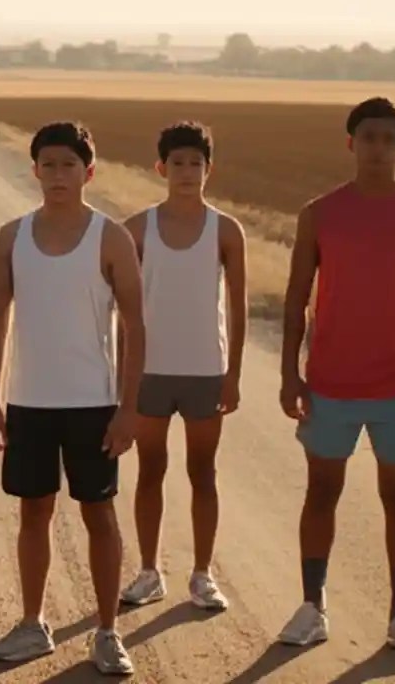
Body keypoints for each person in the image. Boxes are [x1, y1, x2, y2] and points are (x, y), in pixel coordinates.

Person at [277, 97, 395, 657]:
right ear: (351, 144)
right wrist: (289, 374)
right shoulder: (320, 213)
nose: (377, 147)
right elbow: (298, 296)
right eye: (366, 137)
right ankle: (311, 607)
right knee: (321, 491)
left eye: (386, 138)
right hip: (329, 383)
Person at [0, 121, 141, 675]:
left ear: (88, 172)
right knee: (34, 513)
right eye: (48, 165)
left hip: (93, 404)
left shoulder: (110, 237)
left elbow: (137, 328)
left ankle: (107, 631)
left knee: (99, 514)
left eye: (69, 165)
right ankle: (32, 625)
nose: (58, 175)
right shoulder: (12, 237)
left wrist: (128, 408)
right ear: (35, 171)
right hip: (29, 403)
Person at [118, 121, 247, 612]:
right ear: (161, 168)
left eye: (196, 163)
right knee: (150, 470)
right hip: (150, 372)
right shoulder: (137, 229)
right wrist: (120, 379)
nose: (187, 172)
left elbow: (236, 309)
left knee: (203, 471)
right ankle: (149, 572)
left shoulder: (226, 231)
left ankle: (202, 574)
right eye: (177, 163)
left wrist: (233, 375)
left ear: (209, 169)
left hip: (205, 371)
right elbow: (119, 308)